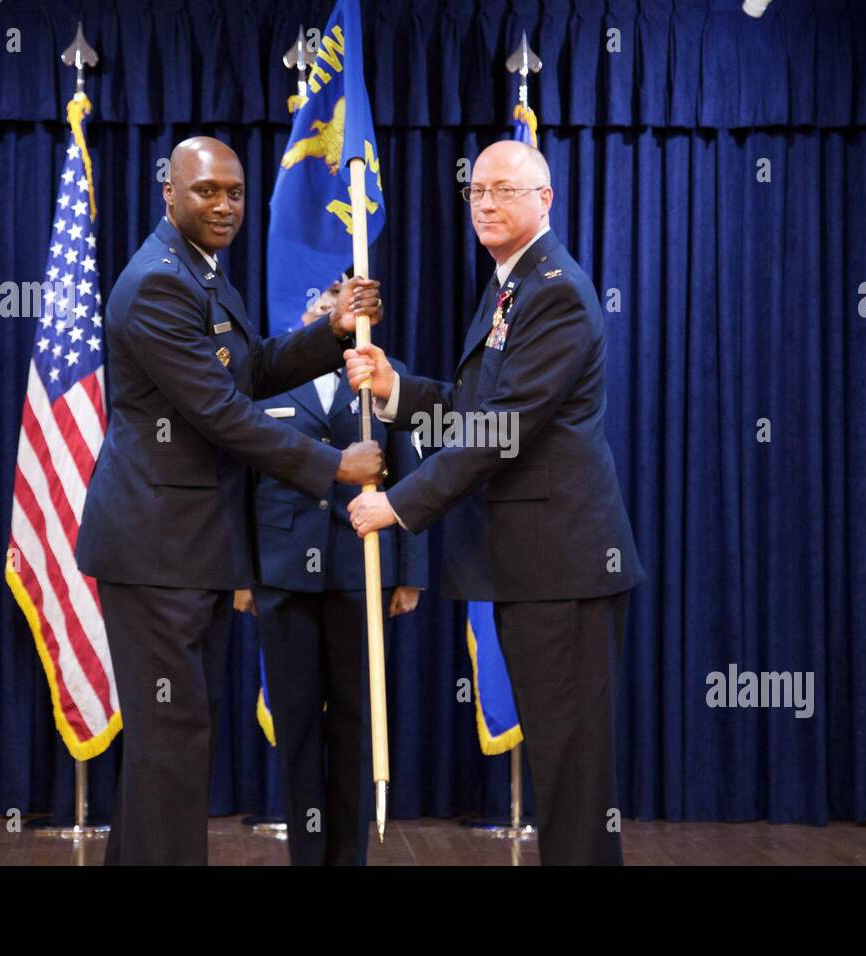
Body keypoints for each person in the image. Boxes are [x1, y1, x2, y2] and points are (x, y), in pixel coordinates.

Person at [75, 136, 385, 865]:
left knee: (170, 743)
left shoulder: (201, 274)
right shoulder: (158, 282)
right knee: (172, 743)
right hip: (156, 551)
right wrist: (334, 465)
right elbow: (221, 413)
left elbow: (245, 374)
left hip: (188, 550)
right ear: (170, 195)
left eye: (235, 192)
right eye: (207, 191)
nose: (224, 205)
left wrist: (329, 330)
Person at [344, 140, 644, 865]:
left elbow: (501, 432)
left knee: (573, 775)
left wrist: (401, 505)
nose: (484, 202)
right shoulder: (513, 284)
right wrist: (397, 392)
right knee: (559, 763)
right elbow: (475, 412)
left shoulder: (557, 290)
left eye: (504, 189)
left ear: (545, 199)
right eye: (476, 190)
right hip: (527, 567)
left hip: (563, 569)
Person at [237, 281, 428, 866]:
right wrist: (241, 574)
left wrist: (409, 573)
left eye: (344, 308)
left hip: (358, 573)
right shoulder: (270, 380)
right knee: (295, 725)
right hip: (283, 575)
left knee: (353, 722)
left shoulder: (381, 381)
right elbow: (243, 484)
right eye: (322, 308)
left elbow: (412, 476)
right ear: (307, 319)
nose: (333, 315)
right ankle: (306, 854)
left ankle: (348, 857)